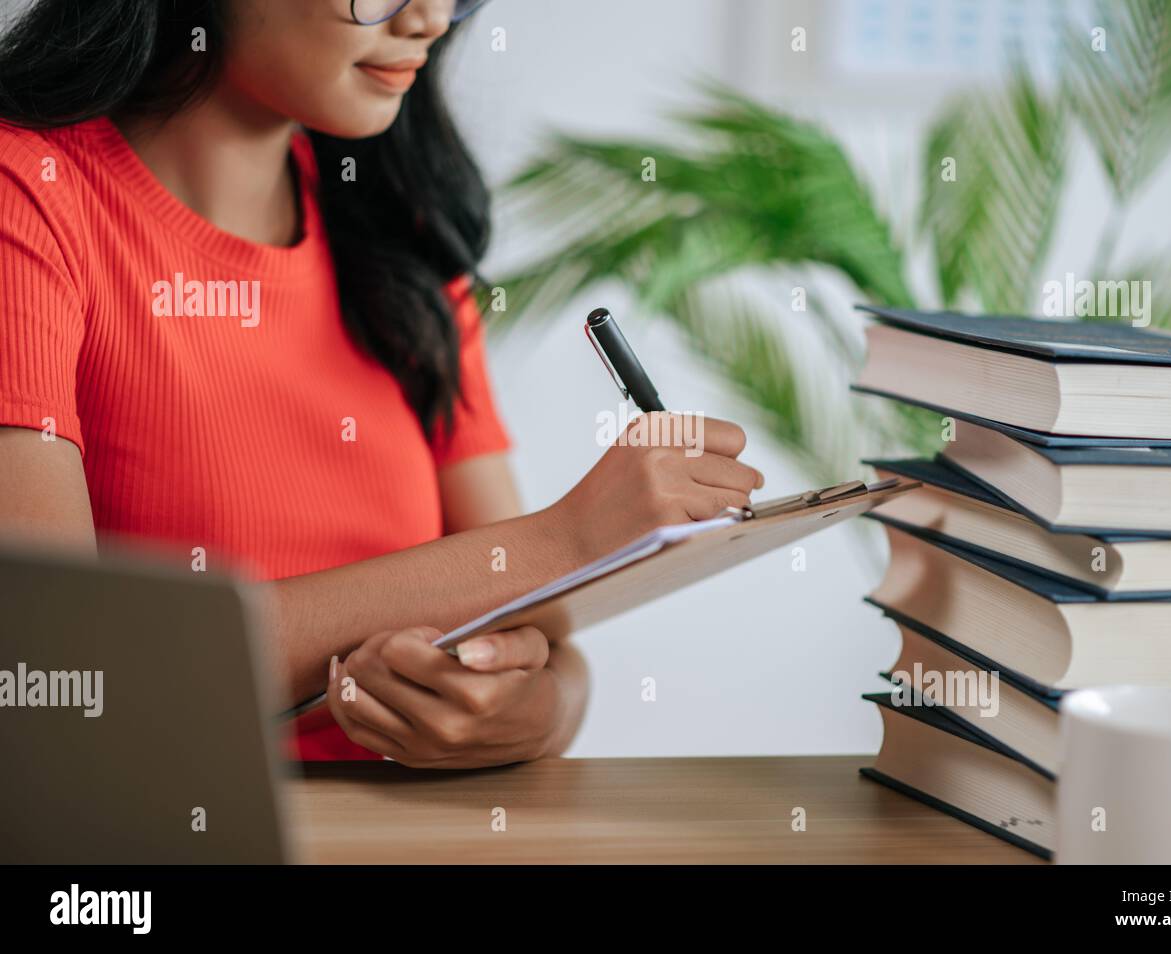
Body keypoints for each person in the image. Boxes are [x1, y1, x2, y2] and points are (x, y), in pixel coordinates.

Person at [0, 0, 764, 767]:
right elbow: (63, 670)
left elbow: (548, 638)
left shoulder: (400, 233)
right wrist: (566, 538)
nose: (430, 18)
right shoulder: (27, 196)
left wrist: (534, 713)